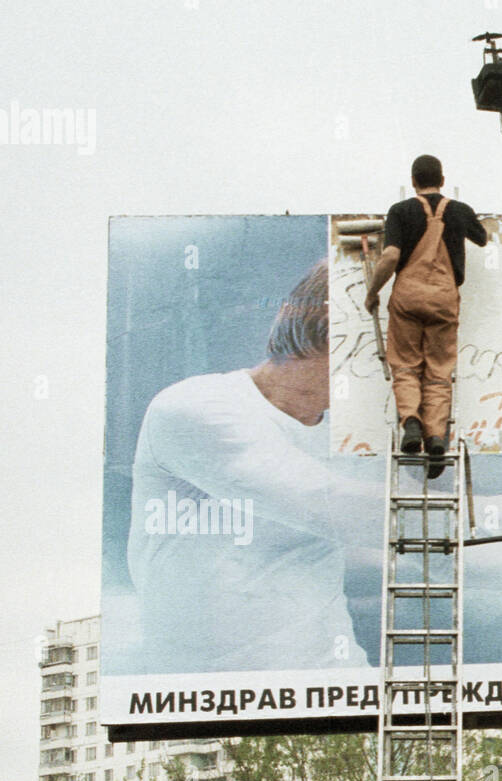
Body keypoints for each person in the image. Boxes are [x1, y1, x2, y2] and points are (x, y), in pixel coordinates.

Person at [128, 260, 384, 674]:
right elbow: (335, 506)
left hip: (338, 691)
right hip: (195, 700)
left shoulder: (357, 435)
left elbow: (387, 541)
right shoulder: (195, 406)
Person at [365, 154, 488, 458]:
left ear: (413, 181)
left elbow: (391, 256)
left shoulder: (400, 211)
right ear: (442, 181)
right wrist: (460, 219)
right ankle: (435, 436)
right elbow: (482, 238)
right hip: (444, 299)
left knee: (405, 366)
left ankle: (410, 422)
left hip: (407, 296)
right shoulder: (458, 210)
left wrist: (372, 292)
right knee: (438, 371)